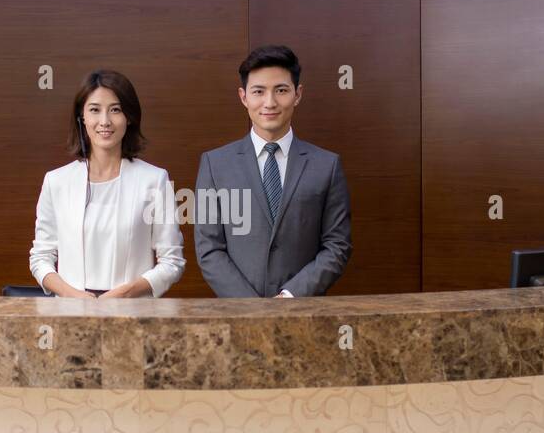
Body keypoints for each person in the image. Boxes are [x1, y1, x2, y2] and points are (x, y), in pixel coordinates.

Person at [194, 45, 351, 297]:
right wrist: (253, 307)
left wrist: (290, 296)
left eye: (281, 90)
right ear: (244, 97)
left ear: (297, 95)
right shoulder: (214, 164)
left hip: (303, 314)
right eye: (258, 91)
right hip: (239, 316)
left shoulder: (327, 166)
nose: (270, 102)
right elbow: (209, 248)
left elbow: (337, 245)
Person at [30, 69, 184, 298]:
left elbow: (172, 261)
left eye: (115, 110)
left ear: (129, 117)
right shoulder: (57, 182)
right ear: (82, 118)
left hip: (132, 315)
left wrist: (126, 293)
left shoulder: (154, 180)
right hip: (70, 313)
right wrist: (71, 294)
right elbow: (41, 258)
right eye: (94, 110)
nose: (105, 121)